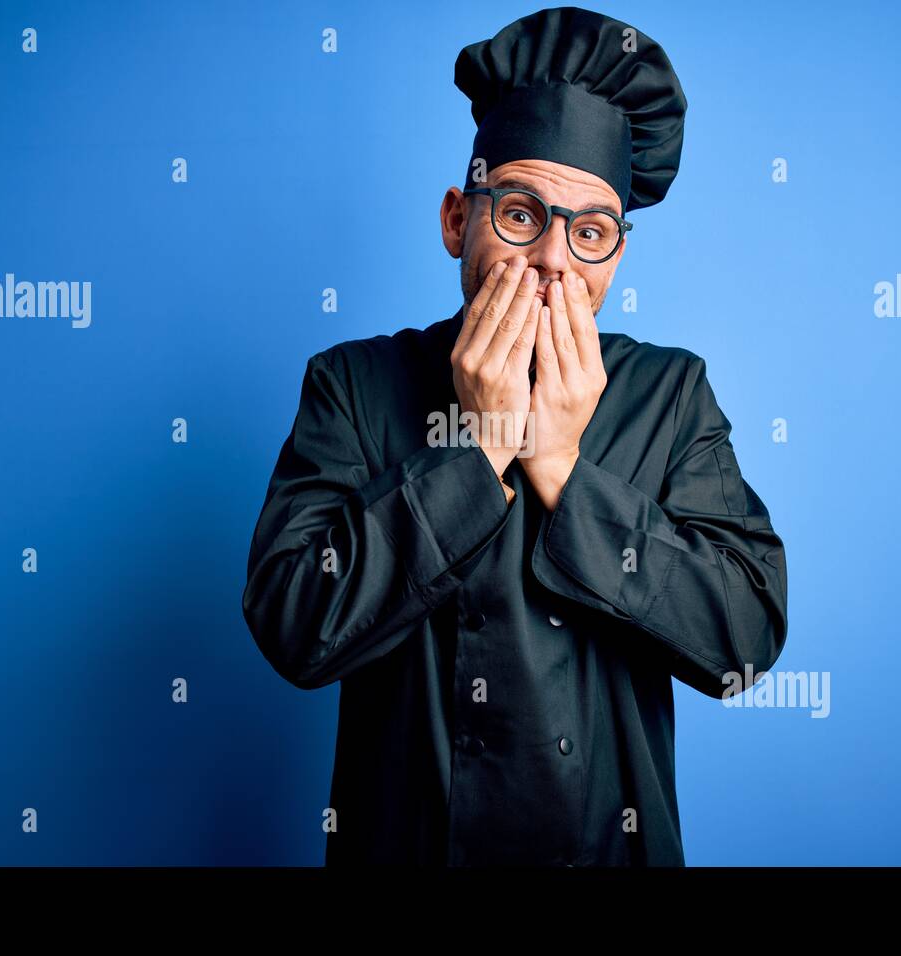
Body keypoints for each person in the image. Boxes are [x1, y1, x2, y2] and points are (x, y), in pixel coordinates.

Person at [242, 5, 788, 866]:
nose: (555, 261)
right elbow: (293, 626)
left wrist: (562, 466)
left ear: (615, 256)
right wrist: (480, 449)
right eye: (523, 216)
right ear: (458, 220)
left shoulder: (671, 395)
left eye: (590, 232)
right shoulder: (354, 385)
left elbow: (743, 645)